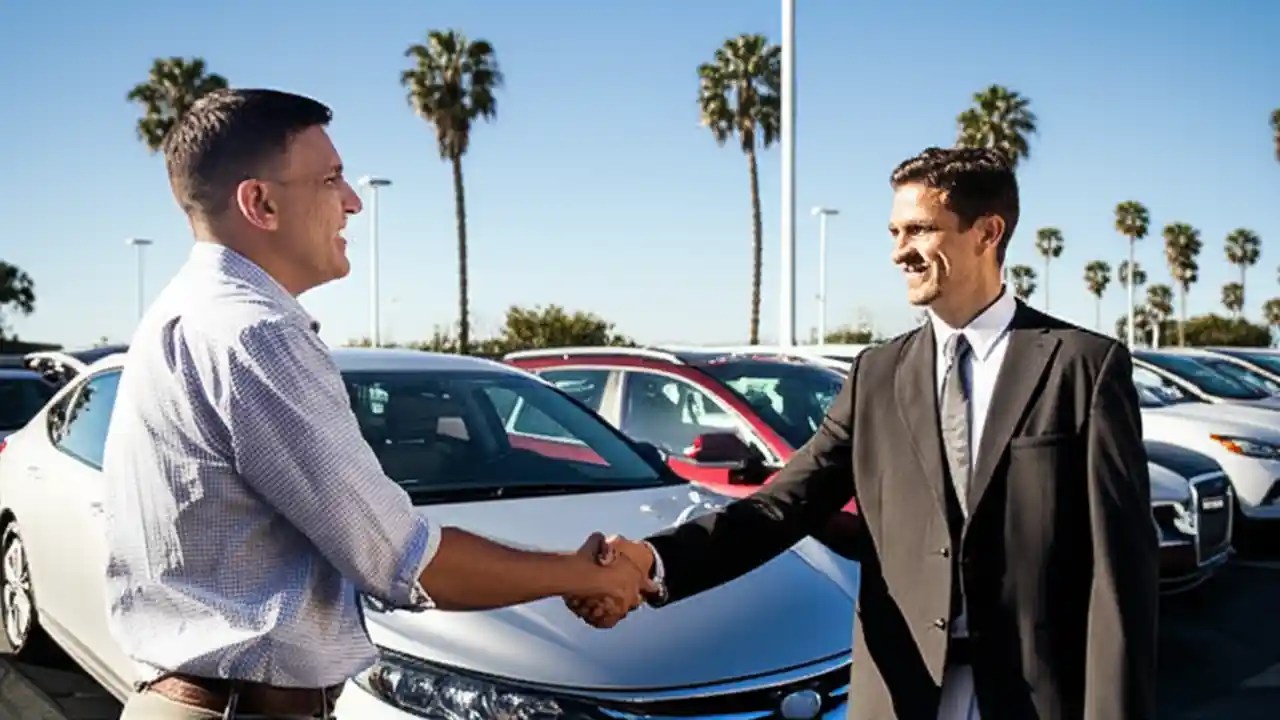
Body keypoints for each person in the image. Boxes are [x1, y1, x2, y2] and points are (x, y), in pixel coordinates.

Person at [102, 88, 651, 719]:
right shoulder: (256, 333)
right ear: (260, 202)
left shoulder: (184, 310)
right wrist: (584, 572)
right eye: (331, 179)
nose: (354, 201)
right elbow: (398, 558)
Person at [570, 147, 1158, 720]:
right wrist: (654, 559)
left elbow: (1121, 572)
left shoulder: (1084, 366)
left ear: (987, 232)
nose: (900, 252)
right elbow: (784, 504)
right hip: (901, 692)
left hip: (1036, 694)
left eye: (920, 230)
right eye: (894, 232)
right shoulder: (878, 373)